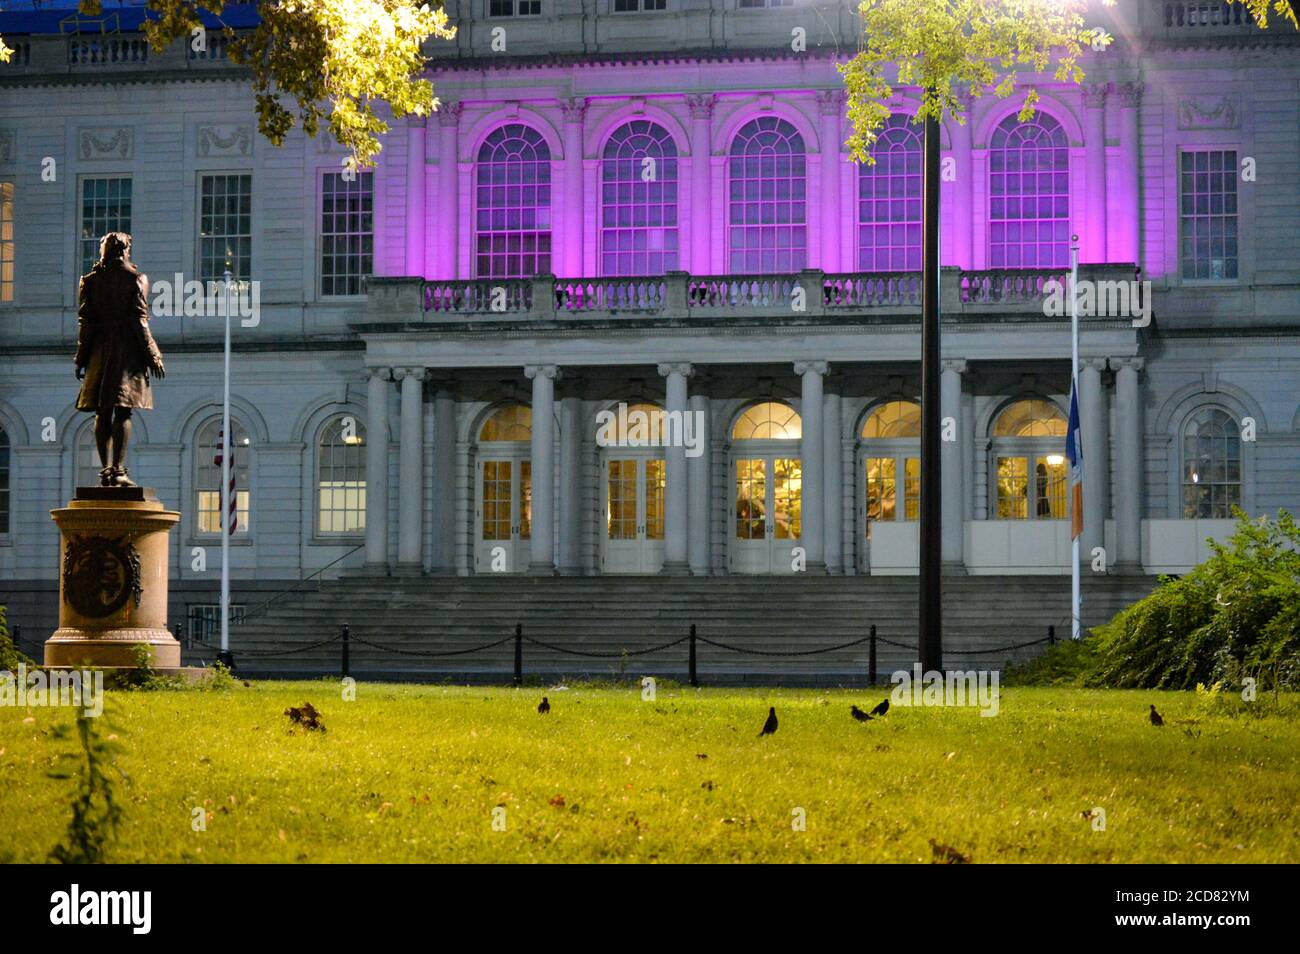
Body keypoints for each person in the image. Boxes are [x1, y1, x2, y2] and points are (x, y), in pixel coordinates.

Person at [74, 232, 165, 488]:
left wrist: (81, 358)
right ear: (125, 250)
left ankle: (106, 471)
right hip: (126, 352)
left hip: (100, 352)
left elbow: (86, 323)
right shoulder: (135, 279)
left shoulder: (90, 281)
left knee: (102, 412)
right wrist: (153, 355)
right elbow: (139, 320)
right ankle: (118, 470)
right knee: (123, 411)